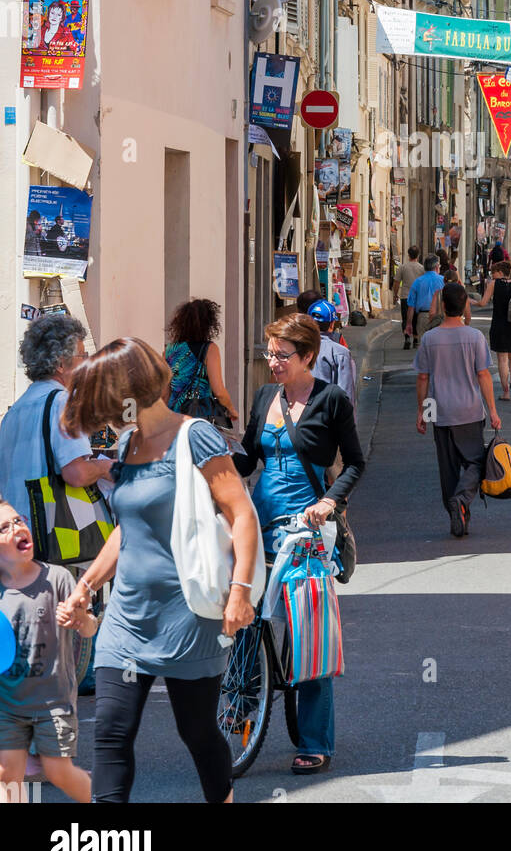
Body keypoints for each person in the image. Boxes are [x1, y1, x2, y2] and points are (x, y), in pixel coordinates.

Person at [59, 338, 260, 804]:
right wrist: (86, 585)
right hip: (128, 620)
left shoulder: (197, 437)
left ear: (127, 395)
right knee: (110, 734)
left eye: (108, 407)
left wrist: (240, 591)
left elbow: (241, 514)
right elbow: (127, 531)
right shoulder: (128, 444)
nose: (107, 419)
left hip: (186, 616)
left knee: (197, 733)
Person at [234, 314, 364, 774]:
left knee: (310, 637)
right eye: (269, 353)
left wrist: (330, 501)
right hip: (259, 526)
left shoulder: (332, 402)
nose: (272, 362)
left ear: (308, 356)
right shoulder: (264, 397)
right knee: (243, 621)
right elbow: (250, 456)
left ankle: (314, 741)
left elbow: (355, 463)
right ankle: (240, 705)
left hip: (306, 532)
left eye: (281, 355)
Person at [0, 498, 99, 804]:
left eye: (19, 521)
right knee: (7, 775)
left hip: (53, 702)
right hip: (7, 704)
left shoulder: (57, 577)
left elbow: (90, 628)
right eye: (4, 527)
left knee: (58, 772)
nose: (17, 528)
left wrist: (81, 618)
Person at [0, 314, 113, 521]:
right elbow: (76, 473)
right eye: (82, 355)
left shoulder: (13, 413)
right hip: (55, 534)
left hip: (17, 533)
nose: (87, 363)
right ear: (61, 364)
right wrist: (106, 467)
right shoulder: (63, 402)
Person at [414, 284, 501, 538]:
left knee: (447, 468)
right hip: (470, 411)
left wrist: (421, 412)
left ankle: (456, 508)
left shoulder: (429, 339)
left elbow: (422, 378)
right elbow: (483, 375)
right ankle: (462, 500)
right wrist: (493, 411)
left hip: (439, 412)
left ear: (442, 306)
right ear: (464, 306)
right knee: (476, 462)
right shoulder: (475, 337)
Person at [164, 298, 238, 432]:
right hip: (198, 420)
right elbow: (219, 391)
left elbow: (165, 391)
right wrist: (231, 409)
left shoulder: (168, 350)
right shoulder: (210, 349)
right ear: (209, 325)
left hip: (173, 417)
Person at [478, 260, 511, 401]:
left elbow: (483, 303)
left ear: (500, 272)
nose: (492, 275)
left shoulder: (493, 284)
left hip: (499, 325)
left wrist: (472, 302)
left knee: (502, 359)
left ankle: (506, 392)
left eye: (493, 272)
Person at [304, 299, 357, 405]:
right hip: (327, 416)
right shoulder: (340, 353)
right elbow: (346, 395)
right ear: (332, 324)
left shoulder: (296, 349)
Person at [405, 256, 445, 345]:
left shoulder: (417, 282)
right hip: (439, 317)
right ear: (437, 266)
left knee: (424, 348)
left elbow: (411, 306)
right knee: (439, 347)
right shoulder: (443, 280)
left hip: (422, 317)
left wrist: (409, 324)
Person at [392, 245, 424, 350]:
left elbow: (396, 283)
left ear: (408, 254)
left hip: (405, 296)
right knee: (416, 318)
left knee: (406, 318)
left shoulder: (402, 267)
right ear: (418, 255)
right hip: (418, 297)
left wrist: (395, 295)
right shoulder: (421, 268)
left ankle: (407, 337)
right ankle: (415, 339)